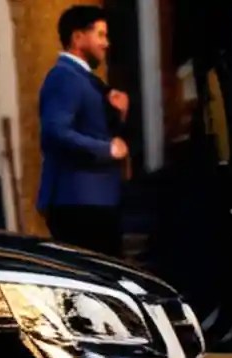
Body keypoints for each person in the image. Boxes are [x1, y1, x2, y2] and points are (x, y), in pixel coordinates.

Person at [37, 5, 131, 258]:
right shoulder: (64, 77)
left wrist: (117, 112)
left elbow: (91, 127)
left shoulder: (85, 79)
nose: (106, 43)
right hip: (79, 202)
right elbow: (56, 132)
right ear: (78, 37)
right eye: (100, 35)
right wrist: (107, 149)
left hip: (96, 201)